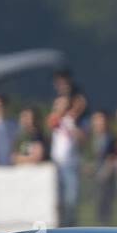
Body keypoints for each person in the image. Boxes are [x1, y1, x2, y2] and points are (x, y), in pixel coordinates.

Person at [48, 93, 85, 226]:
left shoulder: (71, 121)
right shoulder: (57, 120)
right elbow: (52, 121)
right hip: (57, 165)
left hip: (71, 165)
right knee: (58, 199)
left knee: (72, 198)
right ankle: (60, 224)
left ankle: (70, 224)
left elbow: (82, 138)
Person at [88, 110, 117, 225]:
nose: (98, 123)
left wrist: (104, 173)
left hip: (106, 178)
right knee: (97, 207)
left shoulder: (111, 138)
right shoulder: (92, 139)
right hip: (95, 178)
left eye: (100, 120)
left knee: (106, 206)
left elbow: (112, 158)